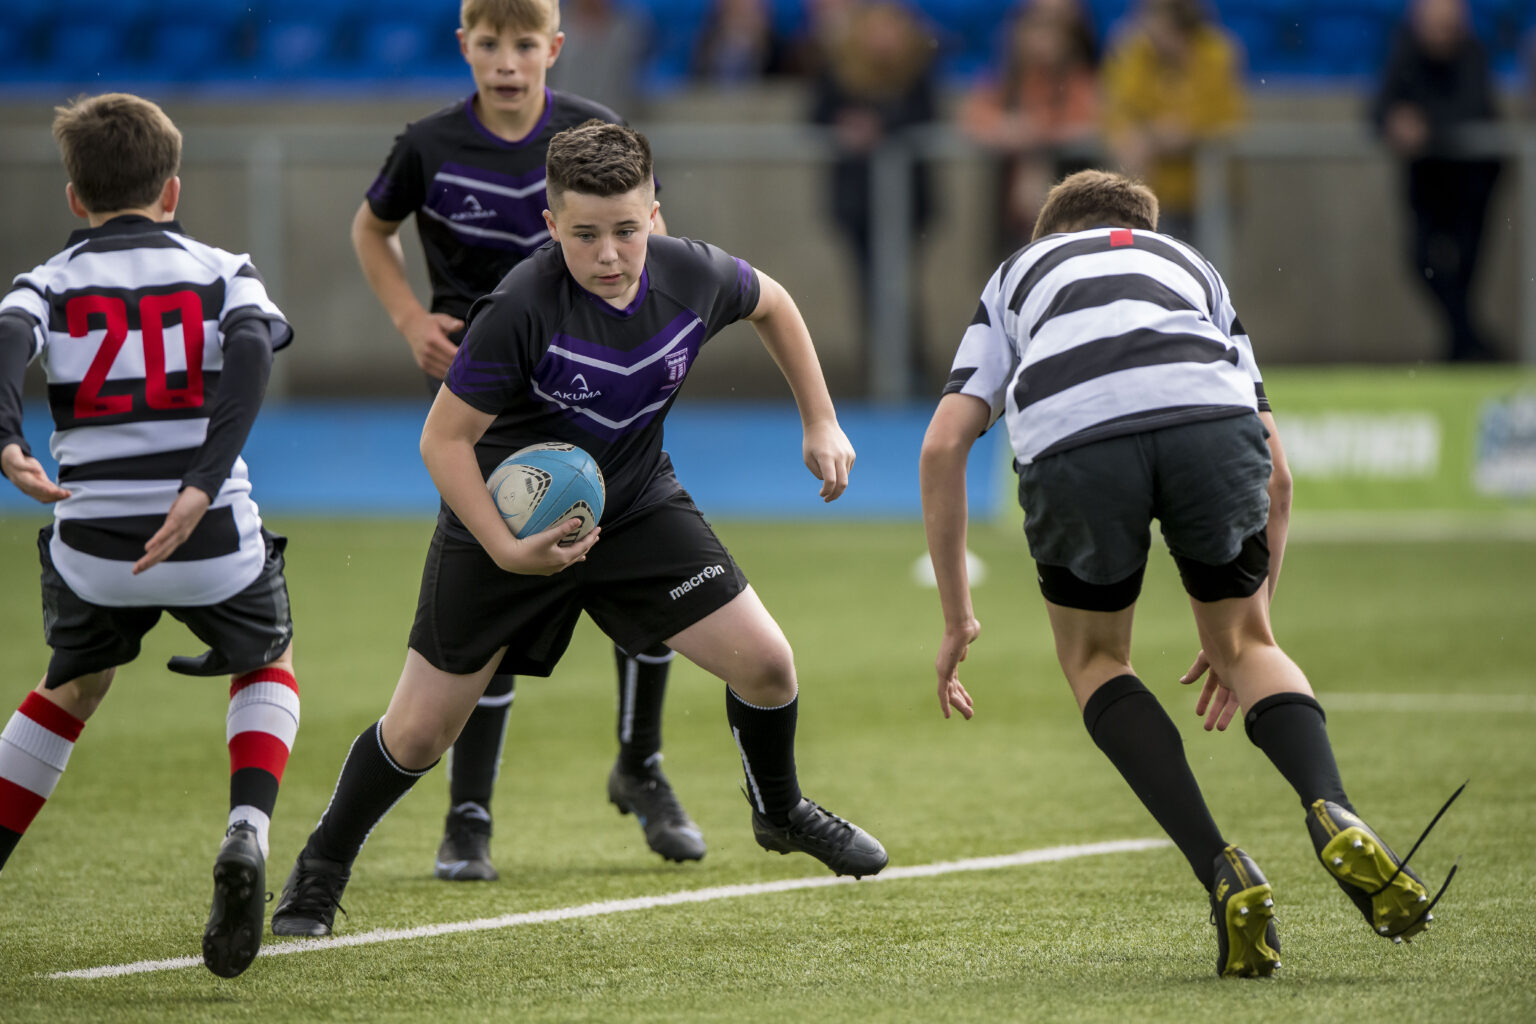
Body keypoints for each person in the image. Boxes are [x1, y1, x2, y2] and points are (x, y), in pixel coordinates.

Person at [270, 120, 887, 938]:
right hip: (504, 519)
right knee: (419, 733)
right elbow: (443, 440)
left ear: (654, 215)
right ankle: (319, 873)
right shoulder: (520, 306)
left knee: (770, 666)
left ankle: (779, 812)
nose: (609, 254)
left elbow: (773, 301)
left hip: (633, 509)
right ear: (551, 225)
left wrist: (821, 420)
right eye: (585, 234)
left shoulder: (691, 273)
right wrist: (504, 546)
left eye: (627, 230)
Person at [919, 169, 1459, 977]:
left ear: (1049, 234)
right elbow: (1277, 473)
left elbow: (943, 444)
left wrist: (958, 618)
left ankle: (1222, 868)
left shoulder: (1017, 275)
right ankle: (1334, 808)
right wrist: (1250, 623)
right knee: (1246, 643)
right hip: (1211, 420)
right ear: (1141, 226)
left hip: (1077, 438)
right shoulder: (1190, 266)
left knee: (1097, 659)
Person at [353, 0, 700, 880]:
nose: (506, 62)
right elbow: (371, 228)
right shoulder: (428, 145)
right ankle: (468, 817)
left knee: (646, 571)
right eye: (488, 43)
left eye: (521, 44)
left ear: (553, 47)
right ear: (463, 46)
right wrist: (407, 317)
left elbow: (652, 240)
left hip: (601, 393)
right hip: (490, 409)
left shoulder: (595, 136)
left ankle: (642, 766)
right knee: (494, 594)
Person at [0, 93, 299, 979]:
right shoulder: (223, 268)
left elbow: (7, 340)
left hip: (93, 546)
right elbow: (253, 347)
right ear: (171, 191)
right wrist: (203, 481)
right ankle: (246, 830)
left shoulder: (43, 282)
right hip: (212, 543)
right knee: (269, 661)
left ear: (73, 197)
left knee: (73, 687)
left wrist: (8, 440)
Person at [808, 0, 938, 396]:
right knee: (868, 286)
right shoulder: (838, 70)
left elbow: (925, 117)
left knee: (899, 286)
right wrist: (846, 129)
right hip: (856, 201)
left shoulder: (915, 73)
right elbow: (816, 116)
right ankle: (881, 370)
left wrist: (880, 128)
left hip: (908, 201)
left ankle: (910, 367)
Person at [1370, 0, 1502, 362]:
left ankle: (1463, 348)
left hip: (1472, 184)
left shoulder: (1472, 52)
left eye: (1448, 26)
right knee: (1421, 261)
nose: (1441, 35)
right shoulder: (1406, 49)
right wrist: (1395, 122)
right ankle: (1470, 344)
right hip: (1427, 183)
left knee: (1465, 270)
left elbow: (1473, 108)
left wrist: (1424, 126)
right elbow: (1379, 108)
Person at [957, 0, 1100, 258]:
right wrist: (1004, 129)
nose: (1041, 40)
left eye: (1050, 31)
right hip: (1009, 211)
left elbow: (1088, 117)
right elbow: (973, 115)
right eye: (1035, 29)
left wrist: (1035, 130)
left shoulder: (1076, 77)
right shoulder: (1007, 78)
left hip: (1069, 209)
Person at [1100, 0, 1244, 242]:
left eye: (1155, 20)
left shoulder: (1215, 52)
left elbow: (1220, 117)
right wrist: (1137, 136)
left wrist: (1169, 133)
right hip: (1149, 197)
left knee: (1198, 269)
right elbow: (1120, 112)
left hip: (1207, 197)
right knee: (1137, 260)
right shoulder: (1135, 51)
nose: (1146, 29)